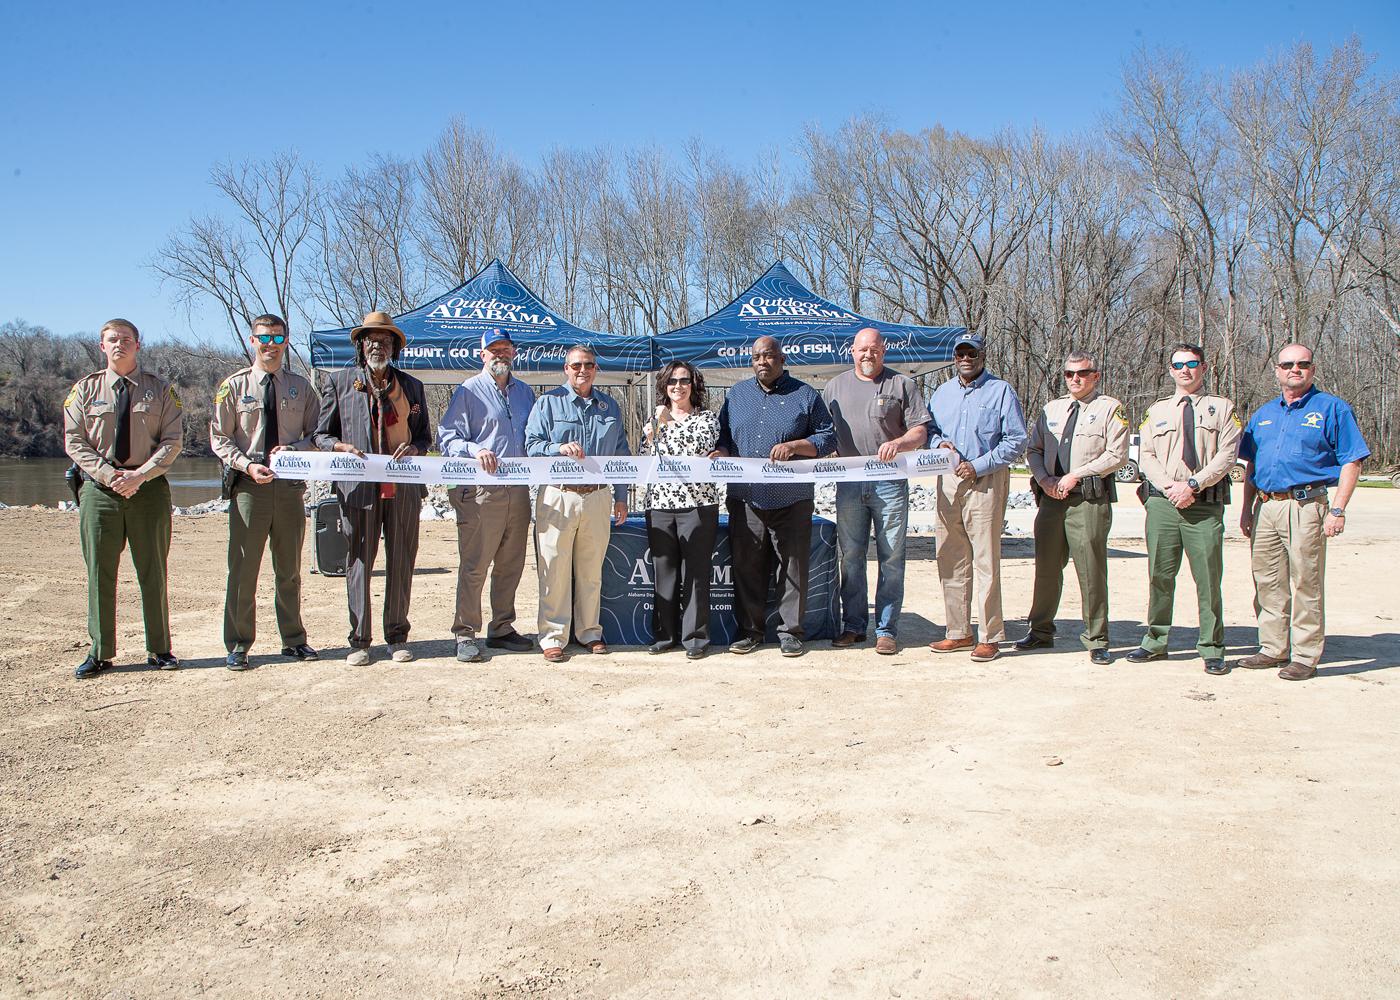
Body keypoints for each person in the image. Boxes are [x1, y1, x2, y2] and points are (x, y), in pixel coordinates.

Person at [1234, 343, 1369, 681]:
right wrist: (1246, 509)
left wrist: (1337, 509)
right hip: (1266, 505)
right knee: (1266, 580)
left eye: (1302, 364)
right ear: (1277, 370)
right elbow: (1251, 464)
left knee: (1306, 581)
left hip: (1306, 506)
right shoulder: (1264, 414)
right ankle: (1272, 647)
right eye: (1287, 364)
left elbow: (1352, 460)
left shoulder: (1332, 409)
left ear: (1312, 369)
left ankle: (1305, 654)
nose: (1294, 369)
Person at [63, 318, 183, 678]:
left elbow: (173, 441)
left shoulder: (160, 390)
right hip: (100, 492)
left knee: (153, 571)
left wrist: (140, 475)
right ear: (103, 346)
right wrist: (108, 475)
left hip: (147, 490)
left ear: (138, 345)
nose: (120, 345)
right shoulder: (84, 390)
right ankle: (100, 652)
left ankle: (160, 649)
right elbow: (74, 440)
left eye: (126, 339)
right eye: (112, 340)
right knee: (100, 572)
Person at [314, 311, 431, 666]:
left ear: (394, 346)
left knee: (401, 559)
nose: (377, 345)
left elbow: (425, 437)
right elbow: (321, 435)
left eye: (384, 340)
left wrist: (415, 448)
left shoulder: (412, 387)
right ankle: (360, 641)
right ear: (361, 345)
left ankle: (397, 636)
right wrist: (340, 448)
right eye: (371, 340)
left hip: (404, 487)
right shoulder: (339, 383)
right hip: (358, 489)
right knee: (360, 561)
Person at [713, 336, 836, 658]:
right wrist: (719, 452)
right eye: (756, 357)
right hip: (745, 497)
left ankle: (791, 632)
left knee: (792, 568)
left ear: (781, 359)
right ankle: (749, 632)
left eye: (768, 356)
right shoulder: (737, 395)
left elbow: (826, 438)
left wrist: (796, 447)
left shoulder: (806, 395)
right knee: (747, 567)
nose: (762, 362)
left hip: (792, 498)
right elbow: (724, 437)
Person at [210, 314, 320, 670]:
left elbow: (318, 435)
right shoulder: (234, 387)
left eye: (277, 339)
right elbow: (219, 438)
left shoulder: (300, 388)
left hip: (289, 487)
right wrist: (245, 464)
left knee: (288, 568)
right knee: (243, 568)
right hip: (248, 487)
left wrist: (296, 450)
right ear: (251, 341)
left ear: (286, 342)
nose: (270, 345)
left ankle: (294, 639)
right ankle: (239, 643)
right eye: (264, 338)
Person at [1127, 343, 1241, 675]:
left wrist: (1193, 485)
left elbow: (1227, 454)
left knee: (1207, 578)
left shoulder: (1222, 408)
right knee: (1160, 576)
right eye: (1178, 365)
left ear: (1204, 367)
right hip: (1164, 504)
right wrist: (1170, 487)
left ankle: (1212, 646)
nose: (1185, 370)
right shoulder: (1158, 410)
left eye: (1191, 364)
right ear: (1171, 370)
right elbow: (1145, 455)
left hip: (1203, 505)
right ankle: (1155, 640)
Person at [822, 327, 931, 655]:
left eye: (874, 349)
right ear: (851, 351)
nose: (868, 355)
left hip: (890, 482)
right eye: (862, 350)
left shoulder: (902, 385)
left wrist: (899, 443)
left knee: (892, 556)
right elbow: (822, 431)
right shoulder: (834, 388)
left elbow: (921, 431)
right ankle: (854, 626)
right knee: (851, 557)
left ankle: (886, 629)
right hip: (849, 482)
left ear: (884, 351)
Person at [1017, 352, 1129, 664]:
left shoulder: (1110, 409)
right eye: (1069, 374)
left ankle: (1096, 639)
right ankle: (1040, 631)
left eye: (1082, 373)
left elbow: (1116, 455)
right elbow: (1034, 449)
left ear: (1096, 375)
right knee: (1046, 570)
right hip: (1051, 500)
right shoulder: (1051, 409)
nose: (1075, 379)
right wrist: (1043, 479)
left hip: (1087, 499)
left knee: (1091, 571)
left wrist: (1075, 475)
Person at [925, 332, 1027, 662]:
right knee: (950, 556)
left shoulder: (1000, 391)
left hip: (986, 481)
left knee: (986, 559)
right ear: (953, 358)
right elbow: (928, 430)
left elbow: (1015, 440)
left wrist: (979, 465)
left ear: (983, 356)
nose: (966, 359)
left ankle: (990, 635)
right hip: (949, 482)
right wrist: (938, 444)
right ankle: (958, 631)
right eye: (960, 354)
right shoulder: (941, 394)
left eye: (972, 353)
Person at [436, 328, 536, 663]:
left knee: (511, 563)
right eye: (494, 350)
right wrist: (473, 448)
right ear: (482, 355)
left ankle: (502, 627)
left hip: (518, 491)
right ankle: (465, 632)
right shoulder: (468, 391)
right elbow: (447, 437)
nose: (500, 355)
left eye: (506, 349)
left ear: (514, 353)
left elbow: (534, 438)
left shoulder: (525, 392)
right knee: (476, 564)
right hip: (480, 492)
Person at [525, 344, 630, 662]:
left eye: (589, 365)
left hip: (598, 496)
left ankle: (589, 632)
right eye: (576, 365)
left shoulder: (610, 406)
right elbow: (530, 445)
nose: (582, 370)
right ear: (565, 369)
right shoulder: (547, 403)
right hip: (558, 495)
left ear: (596, 369)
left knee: (591, 571)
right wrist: (557, 448)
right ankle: (553, 636)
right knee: (553, 568)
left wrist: (622, 496)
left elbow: (622, 455)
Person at [643, 361, 720, 660]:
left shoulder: (707, 419)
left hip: (698, 505)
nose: (678, 386)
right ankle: (664, 636)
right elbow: (645, 455)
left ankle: (696, 638)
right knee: (665, 573)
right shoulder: (654, 420)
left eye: (684, 380)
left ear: (693, 385)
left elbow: (692, 448)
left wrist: (662, 427)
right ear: (664, 386)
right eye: (672, 381)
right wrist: (656, 429)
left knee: (696, 574)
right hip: (660, 505)